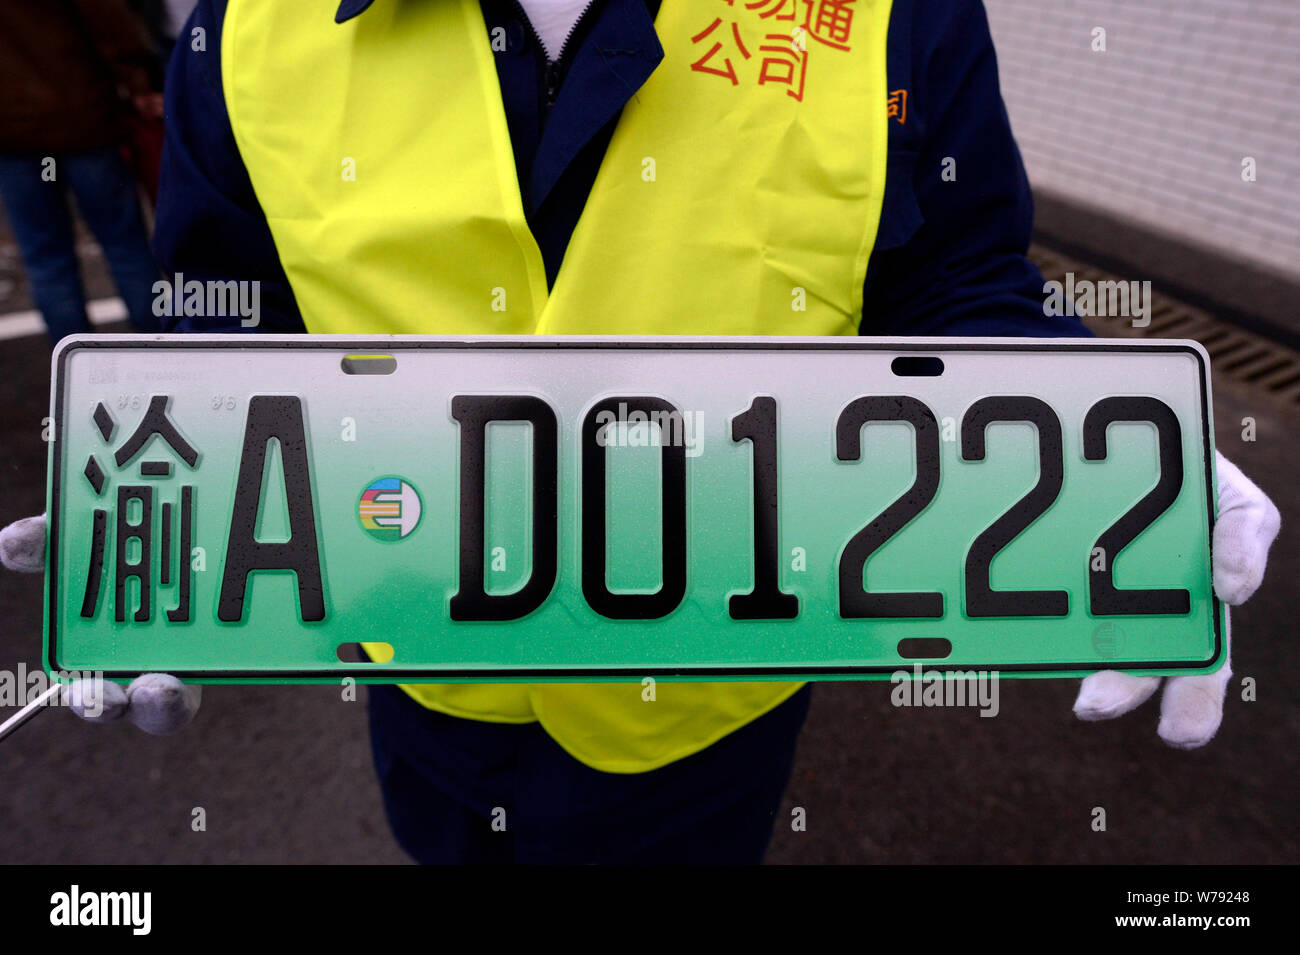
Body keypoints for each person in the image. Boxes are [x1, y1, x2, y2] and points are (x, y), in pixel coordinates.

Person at [0, 0, 1282, 864]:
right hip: (431, 688)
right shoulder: (254, 26)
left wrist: (1109, 447)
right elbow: (232, 306)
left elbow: (956, 283)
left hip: (715, 715)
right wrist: (158, 512)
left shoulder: (890, 13)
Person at [0, 0, 164, 342]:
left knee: (47, 260)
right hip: (83, 119)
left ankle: (75, 374)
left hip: (14, 132)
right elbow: (108, 22)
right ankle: (158, 354)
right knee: (126, 247)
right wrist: (139, 82)